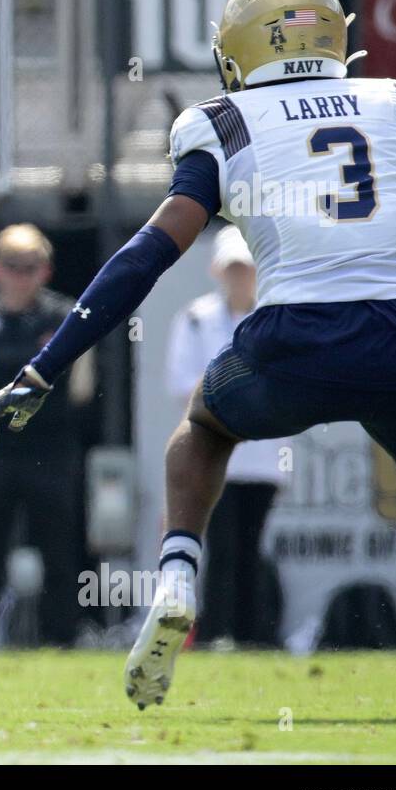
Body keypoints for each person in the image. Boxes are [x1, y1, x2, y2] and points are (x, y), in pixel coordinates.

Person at [0, 0, 396, 709]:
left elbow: (146, 255)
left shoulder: (226, 121)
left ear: (242, 48)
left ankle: (179, 572)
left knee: (206, 429)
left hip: (292, 337)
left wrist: (46, 365)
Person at [0, 223, 94, 646]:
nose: (21, 276)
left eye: (30, 267)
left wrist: (0, 365)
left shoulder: (63, 316)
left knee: (58, 552)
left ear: (45, 270)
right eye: (12, 266)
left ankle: (60, 641)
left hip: (50, 451)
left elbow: (71, 383)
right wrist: (31, 366)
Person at [165, 224, 285, 647]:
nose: (241, 277)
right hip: (214, 455)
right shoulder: (197, 319)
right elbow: (182, 383)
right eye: (234, 269)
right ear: (219, 271)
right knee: (219, 548)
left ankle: (250, 635)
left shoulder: (273, 318)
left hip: (261, 458)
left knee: (250, 548)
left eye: (247, 269)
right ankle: (215, 633)